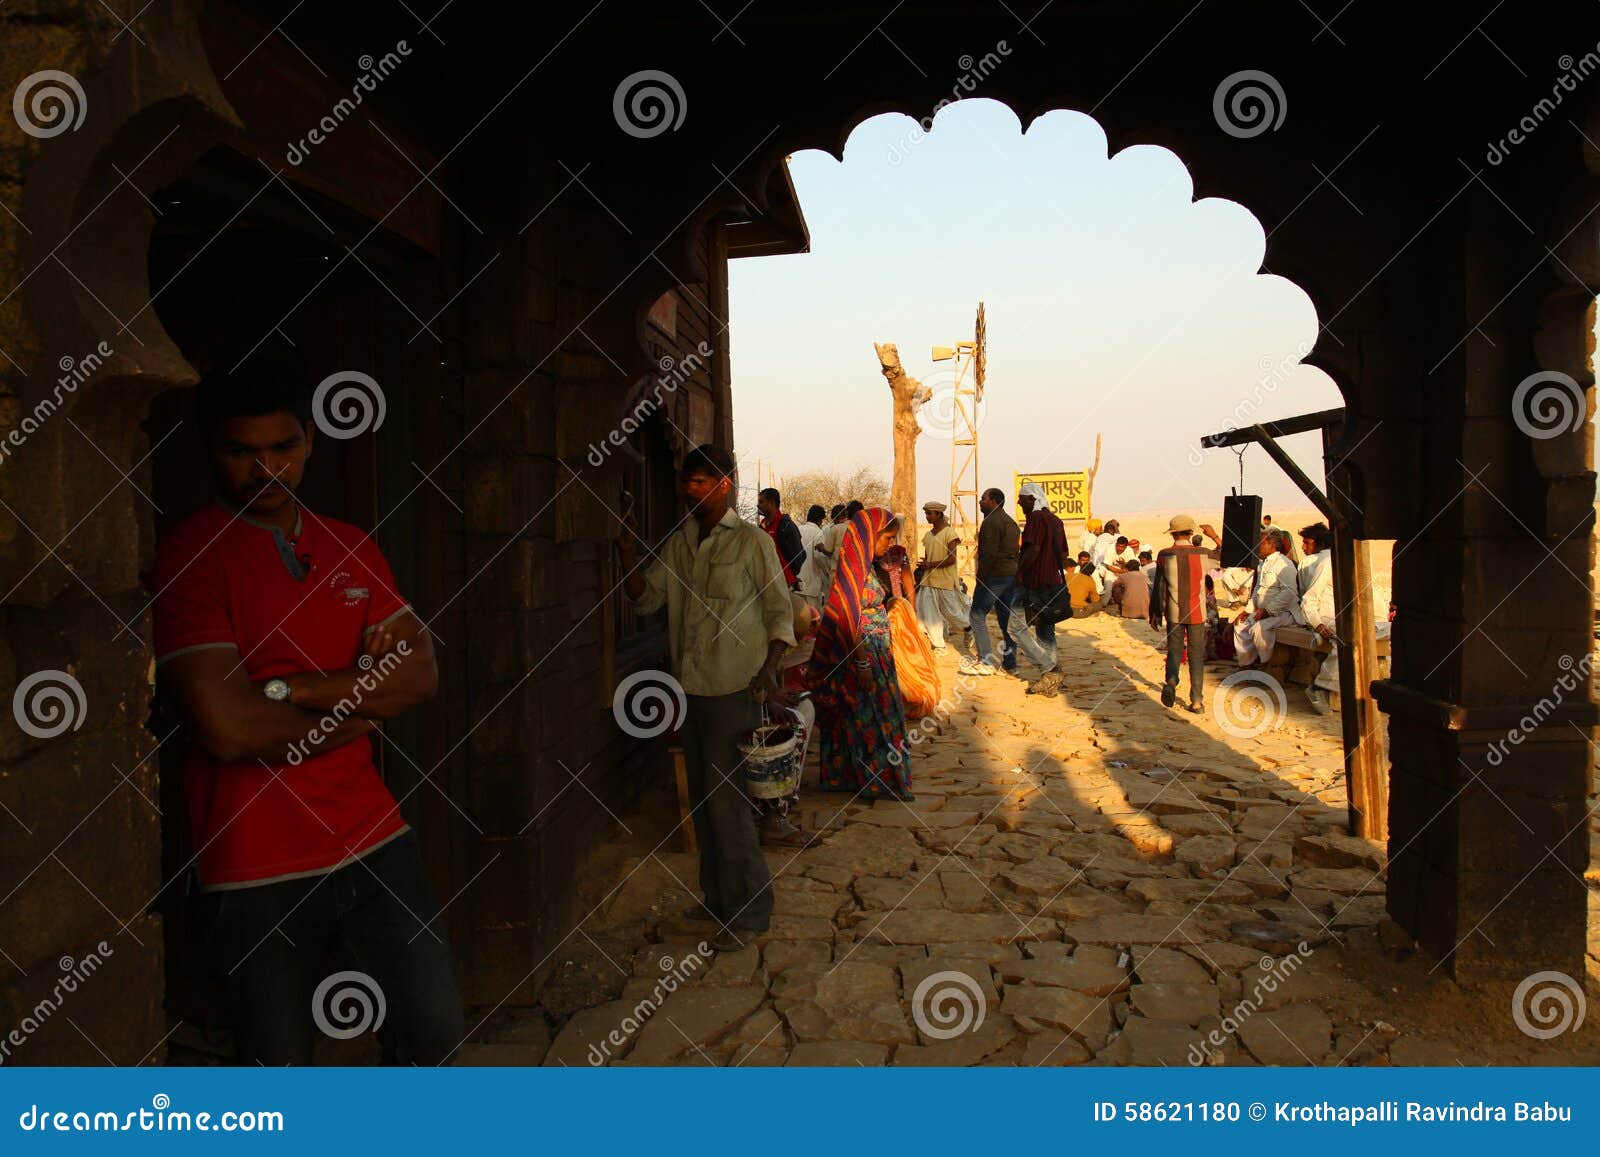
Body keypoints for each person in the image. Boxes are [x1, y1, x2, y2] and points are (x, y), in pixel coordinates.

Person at [148, 357, 462, 1065]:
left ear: (312, 440)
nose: (266, 469)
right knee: (278, 1066)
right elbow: (228, 729)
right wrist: (359, 699)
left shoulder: (350, 544)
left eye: (283, 447)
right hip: (252, 858)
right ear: (212, 451)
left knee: (433, 1030)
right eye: (242, 451)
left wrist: (289, 688)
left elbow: (419, 673)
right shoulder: (191, 556)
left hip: (372, 834)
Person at [619, 444, 795, 952]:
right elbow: (645, 598)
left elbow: (779, 612)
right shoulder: (680, 544)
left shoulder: (751, 543)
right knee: (702, 801)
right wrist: (625, 546)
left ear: (725, 485)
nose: (691, 490)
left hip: (734, 690)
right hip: (690, 690)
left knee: (729, 805)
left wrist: (770, 669)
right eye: (687, 482)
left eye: (701, 482)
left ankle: (750, 911)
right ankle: (718, 898)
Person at [809, 508, 914, 801]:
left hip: (877, 652)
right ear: (870, 536)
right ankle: (877, 778)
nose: (889, 544)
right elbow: (847, 615)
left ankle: (863, 777)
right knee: (872, 716)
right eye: (887, 538)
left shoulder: (865, 566)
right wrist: (862, 660)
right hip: (864, 653)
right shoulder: (851, 571)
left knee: (869, 715)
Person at [754, 594, 822, 848]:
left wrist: (776, 695)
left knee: (805, 709)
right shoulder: (750, 641)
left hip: (758, 704)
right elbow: (748, 683)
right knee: (795, 724)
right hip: (739, 710)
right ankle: (774, 816)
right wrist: (769, 701)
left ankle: (781, 800)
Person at [1149, 513, 1220, 712]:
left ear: (1172, 534)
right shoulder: (1202, 554)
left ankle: (1171, 682)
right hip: (1197, 613)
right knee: (1196, 656)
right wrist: (1214, 536)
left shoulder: (1164, 555)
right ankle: (1196, 701)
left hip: (1174, 613)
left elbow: (1159, 586)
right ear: (1190, 532)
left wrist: (1155, 613)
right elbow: (1228, 557)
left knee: (1174, 651)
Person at [1014, 482, 1069, 694]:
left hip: (1034, 582)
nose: (1019, 502)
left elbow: (1033, 549)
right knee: (1046, 630)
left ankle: (1049, 669)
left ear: (1032, 499)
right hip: (1052, 583)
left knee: (1014, 626)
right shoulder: (1056, 520)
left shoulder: (1035, 519)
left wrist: (1019, 572)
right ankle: (1051, 681)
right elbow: (1063, 554)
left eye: (1022, 499)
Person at [964, 487, 1020, 676]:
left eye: (983, 499)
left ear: (994, 501)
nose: (980, 502)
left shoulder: (991, 522)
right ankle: (1010, 665)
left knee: (976, 615)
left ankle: (985, 661)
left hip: (994, 576)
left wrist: (981, 578)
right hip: (1011, 576)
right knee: (1006, 620)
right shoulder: (1010, 522)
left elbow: (988, 554)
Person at [1232, 526, 1302, 667]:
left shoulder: (1283, 564)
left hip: (1284, 613)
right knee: (1240, 626)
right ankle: (1246, 664)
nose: (1257, 547)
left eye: (1261, 544)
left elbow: (1290, 592)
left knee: (1258, 629)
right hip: (1263, 612)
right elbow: (1258, 589)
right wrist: (1248, 610)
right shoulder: (1262, 564)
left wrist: (1268, 610)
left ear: (1272, 545)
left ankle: (1267, 664)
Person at [915, 500, 966, 652]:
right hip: (929, 581)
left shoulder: (950, 533)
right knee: (928, 614)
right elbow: (928, 558)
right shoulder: (928, 536)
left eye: (929, 513)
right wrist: (925, 565)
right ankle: (939, 645)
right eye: (926, 513)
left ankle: (969, 628)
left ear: (938, 514)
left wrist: (930, 564)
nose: (927, 516)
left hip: (945, 580)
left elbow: (951, 559)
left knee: (951, 613)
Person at [1298, 522, 1337, 713]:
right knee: (1347, 642)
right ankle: (1319, 687)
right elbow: (1308, 598)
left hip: (1343, 615)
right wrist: (1317, 624)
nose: (1303, 547)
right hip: (1327, 616)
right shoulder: (1326, 562)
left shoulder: (1338, 558)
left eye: (1307, 542)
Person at [757, 487, 806, 591]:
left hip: (784, 583)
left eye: (761, 502)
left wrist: (791, 576)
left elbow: (798, 555)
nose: (758, 505)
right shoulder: (762, 526)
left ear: (771, 503)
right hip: (764, 582)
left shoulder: (786, 526)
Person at [810, 503, 850, 606]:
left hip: (834, 571)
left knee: (832, 601)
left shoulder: (832, 529)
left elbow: (827, 551)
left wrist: (821, 548)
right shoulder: (853, 527)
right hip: (845, 571)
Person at [796, 504, 827, 606]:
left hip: (796, 584)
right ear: (820, 520)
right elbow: (819, 557)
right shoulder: (818, 533)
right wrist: (827, 571)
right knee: (812, 614)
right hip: (812, 585)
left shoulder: (797, 529)